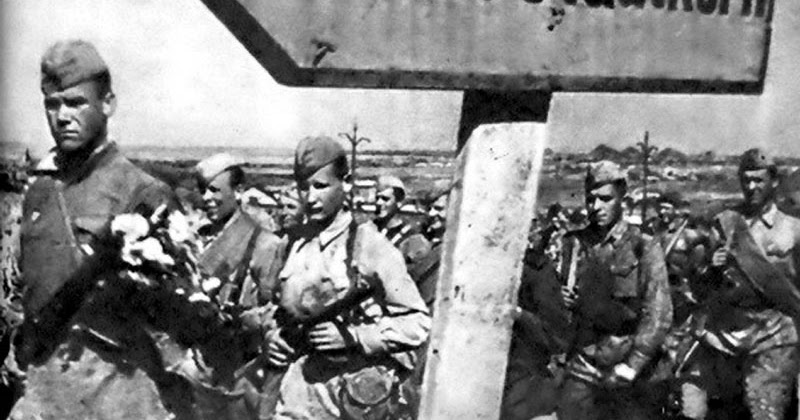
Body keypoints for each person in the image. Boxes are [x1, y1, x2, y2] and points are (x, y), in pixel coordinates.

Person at [10, 40, 183, 419]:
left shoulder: (141, 191)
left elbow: (175, 319)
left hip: (117, 396)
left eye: (76, 103)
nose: (62, 116)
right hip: (44, 394)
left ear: (108, 104)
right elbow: (30, 286)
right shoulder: (39, 192)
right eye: (53, 105)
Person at [264, 136, 431, 420]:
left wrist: (355, 337)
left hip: (351, 399)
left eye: (321, 186)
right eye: (304, 188)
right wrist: (271, 335)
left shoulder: (370, 245)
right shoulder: (291, 243)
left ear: (347, 182)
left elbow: (417, 323)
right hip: (296, 396)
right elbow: (273, 307)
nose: (311, 197)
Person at [679, 149, 800, 420]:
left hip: (774, 334)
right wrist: (712, 266)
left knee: (765, 410)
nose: (751, 187)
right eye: (746, 180)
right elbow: (700, 287)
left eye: (758, 180)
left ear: (774, 181)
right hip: (725, 334)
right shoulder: (725, 223)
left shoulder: (792, 227)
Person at [168, 153, 286, 419]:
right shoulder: (196, 237)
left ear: (239, 191)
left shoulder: (264, 243)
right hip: (194, 365)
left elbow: (273, 312)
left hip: (236, 372)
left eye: (214, 190)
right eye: (202, 190)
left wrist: (240, 318)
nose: (207, 198)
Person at [556, 160, 672, 420]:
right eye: (590, 199)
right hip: (585, 361)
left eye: (605, 199)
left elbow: (658, 312)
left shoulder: (643, 246)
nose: (595, 207)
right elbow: (553, 308)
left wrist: (634, 365)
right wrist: (561, 301)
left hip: (631, 366)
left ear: (624, 201)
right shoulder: (574, 244)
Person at [373, 175, 431, 282]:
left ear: (398, 202)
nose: (379, 203)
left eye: (385, 199)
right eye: (377, 198)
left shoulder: (413, 236)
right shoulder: (372, 229)